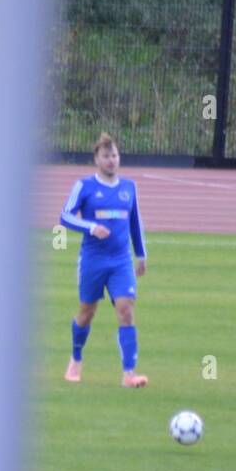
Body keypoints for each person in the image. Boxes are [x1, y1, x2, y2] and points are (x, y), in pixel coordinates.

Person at [58, 132, 149, 387]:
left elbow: (135, 223)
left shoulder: (129, 187)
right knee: (87, 313)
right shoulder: (84, 186)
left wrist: (141, 255)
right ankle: (75, 360)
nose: (112, 160)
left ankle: (129, 374)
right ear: (96, 159)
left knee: (126, 310)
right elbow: (65, 216)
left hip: (120, 261)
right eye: (106, 156)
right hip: (93, 260)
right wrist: (90, 227)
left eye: (115, 155)